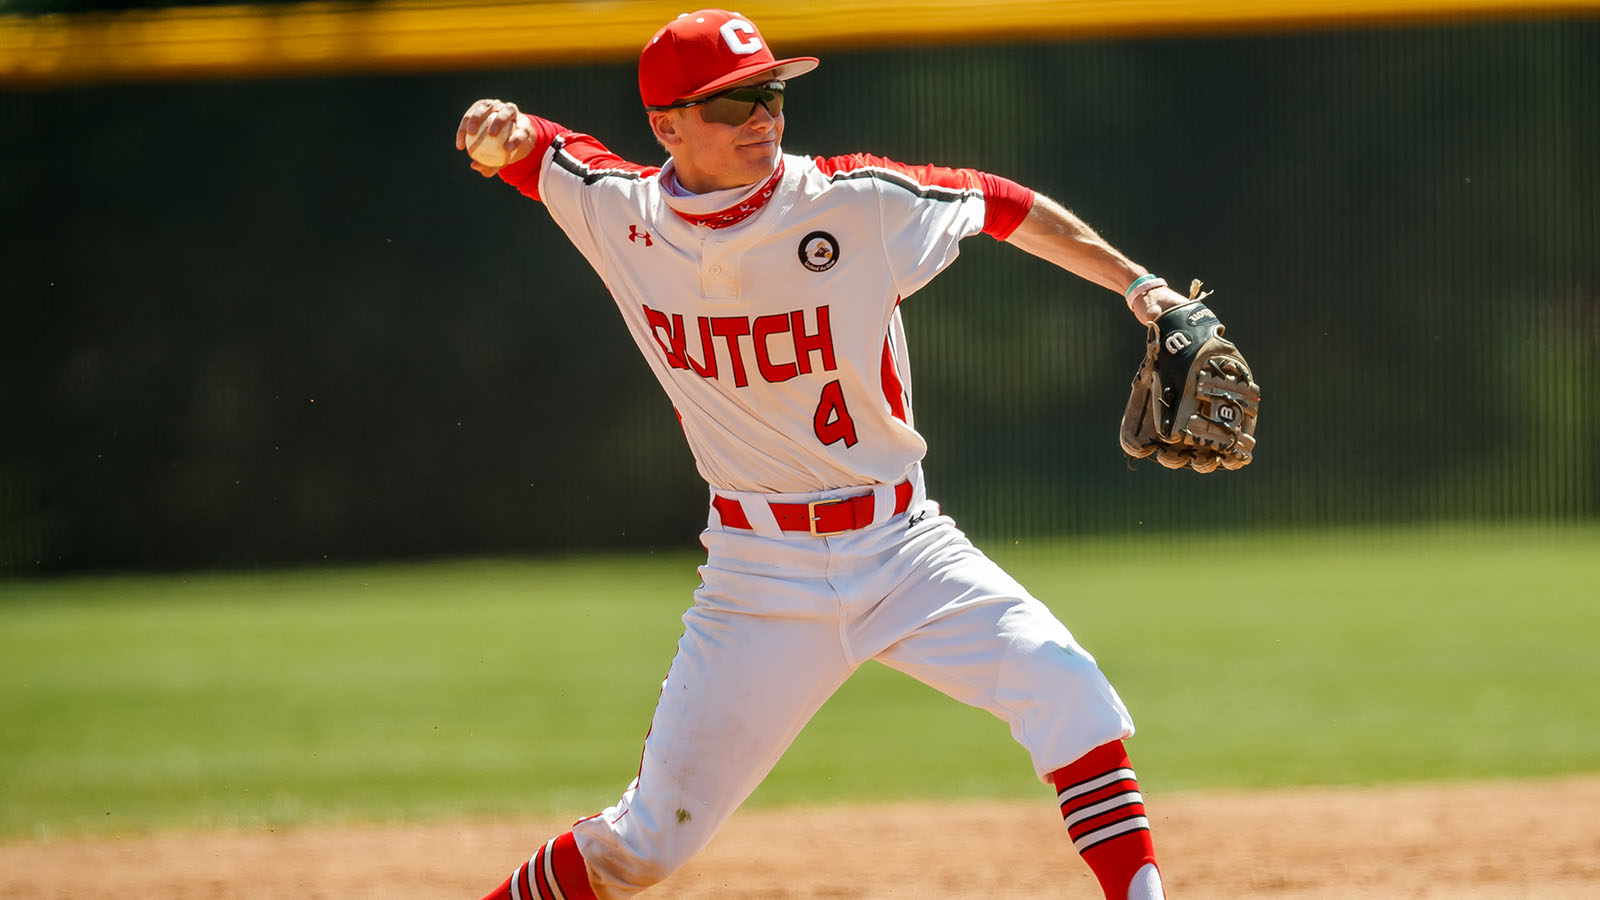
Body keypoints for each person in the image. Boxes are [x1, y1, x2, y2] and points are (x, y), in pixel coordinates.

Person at [456, 10, 1198, 900]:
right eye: (730, 105)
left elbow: (1002, 204)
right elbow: (543, 153)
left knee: (1065, 688)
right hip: (757, 572)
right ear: (666, 125)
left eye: (769, 93)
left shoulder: (852, 204)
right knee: (645, 848)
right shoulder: (622, 215)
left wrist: (1143, 289)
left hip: (902, 545)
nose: (762, 118)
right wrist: (502, 132)